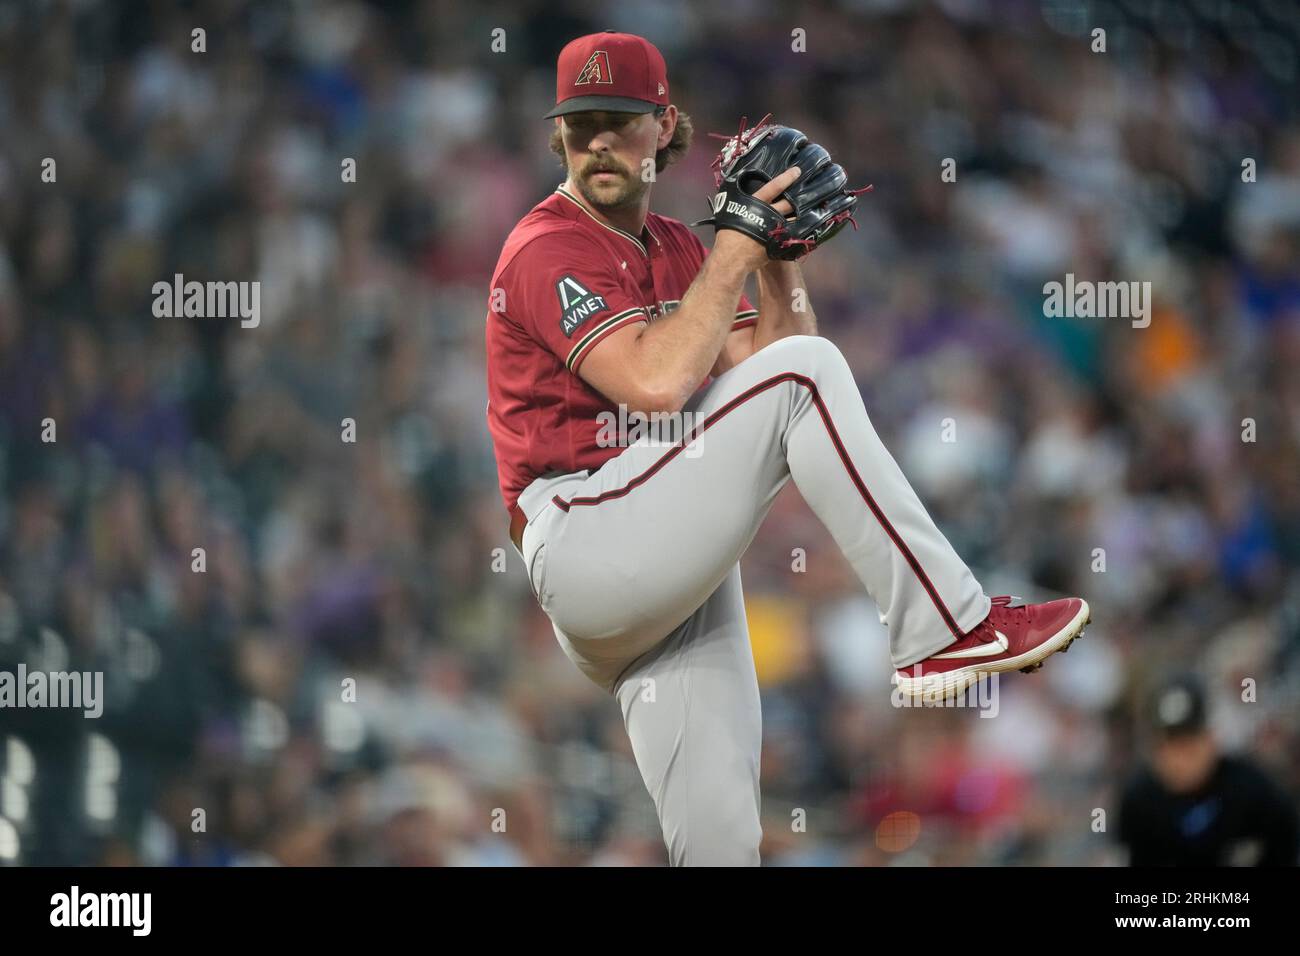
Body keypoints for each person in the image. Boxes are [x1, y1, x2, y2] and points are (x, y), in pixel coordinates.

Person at [483, 31, 1090, 865]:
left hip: (661, 568)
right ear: (558, 136)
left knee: (724, 846)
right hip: (586, 536)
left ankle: (943, 629)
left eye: (618, 121)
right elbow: (660, 384)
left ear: (664, 127)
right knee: (810, 374)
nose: (596, 142)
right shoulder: (547, 244)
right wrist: (739, 240)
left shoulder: (679, 249)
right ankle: (946, 628)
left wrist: (779, 260)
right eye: (579, 123)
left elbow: (772, 367)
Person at [1116, 673, 1299, 866]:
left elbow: (1286, 846)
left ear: (1211, 739)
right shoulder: (1139, 800)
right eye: (1166, 747)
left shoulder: (1254, 792)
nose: (1177, 760)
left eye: (1188, 746)